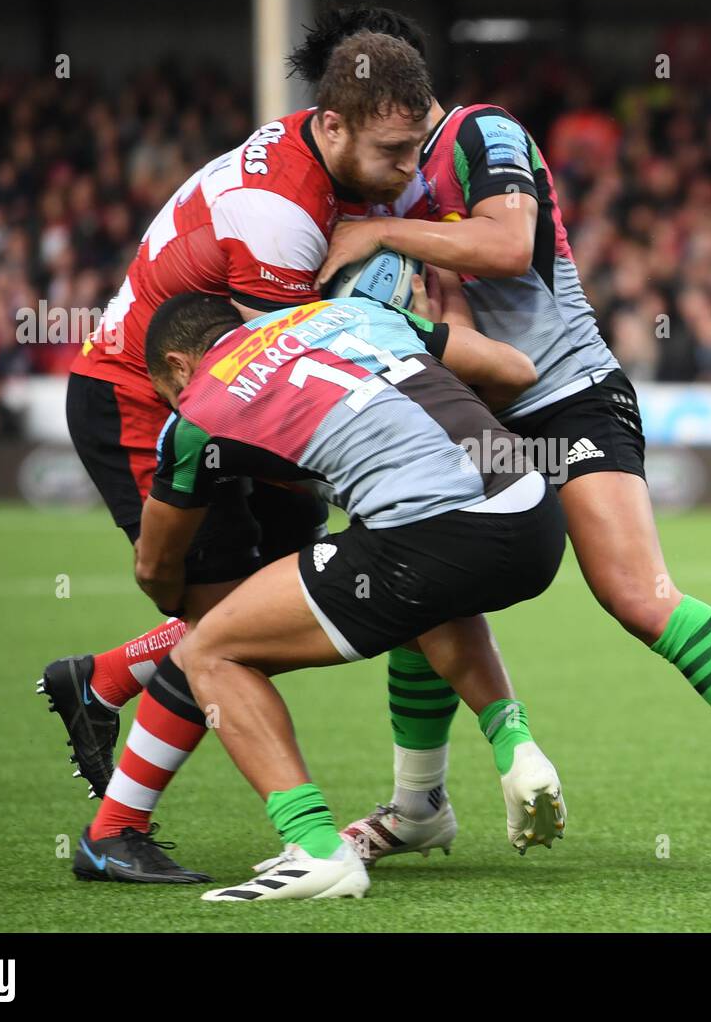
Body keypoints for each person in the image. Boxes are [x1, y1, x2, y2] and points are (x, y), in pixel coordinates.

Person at [301, 4, 711, 872]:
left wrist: (376, 234)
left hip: (570, 398)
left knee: (635, 594)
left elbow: (512, 244)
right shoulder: (368, 182)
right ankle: (417, 806)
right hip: (481, 415)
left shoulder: (481, 132)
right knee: (419, 586)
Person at [39, 31, 437, 808]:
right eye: (395, 151)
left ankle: (105, 681)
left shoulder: (336, 157)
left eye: (416, 147)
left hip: (226, 395)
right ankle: (118, 831)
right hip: (150, 401)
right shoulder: (276, 215)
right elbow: (276, 389)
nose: (409, 170)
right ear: (331, 126)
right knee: (231, 631)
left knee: (282, 606)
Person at [73, 291, 567, 901]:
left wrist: (190, 606)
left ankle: (314, 848)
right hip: (533, 511)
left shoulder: (196, 412)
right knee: (427, 595)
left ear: (178, 367)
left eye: (169, 391)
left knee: (212, 650)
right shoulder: (349, 309)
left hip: (434, 532)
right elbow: (508, 370)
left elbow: (155, 565)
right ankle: (511, 744)